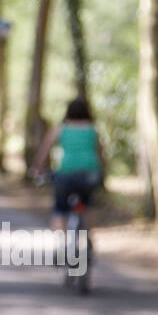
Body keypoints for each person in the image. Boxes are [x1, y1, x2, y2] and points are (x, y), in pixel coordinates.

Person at [30, 97, 105, 229]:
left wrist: (37, 168)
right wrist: (102, 171)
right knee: (88, 205)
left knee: (60, 208)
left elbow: (45, 150)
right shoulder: (92, 130)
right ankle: (89, 236)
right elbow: (100, 153)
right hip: (89, 174)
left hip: (65, 173)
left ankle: (61, 241)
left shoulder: (61, 129)